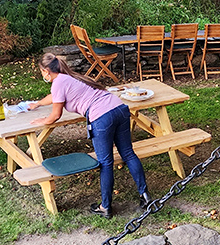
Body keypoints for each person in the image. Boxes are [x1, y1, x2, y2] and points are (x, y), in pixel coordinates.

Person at [28, 52, 151, 219]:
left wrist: (43, 121)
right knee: (128, 154)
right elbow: (55, 97)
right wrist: (38, 103)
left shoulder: (58, 83)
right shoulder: (71, 77)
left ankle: (105, 207)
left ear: (46, 71)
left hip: (101, 117)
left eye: (41, 71)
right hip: (119, 108)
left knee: (105, 163)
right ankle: (145, 196)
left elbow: (55, 115)